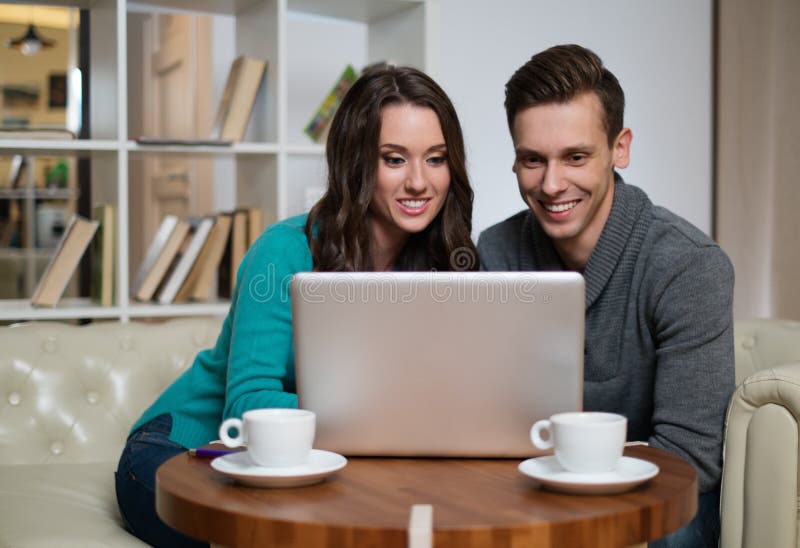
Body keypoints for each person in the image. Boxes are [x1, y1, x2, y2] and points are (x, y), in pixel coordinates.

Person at [115, 64, 478, 547]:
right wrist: (393, 414)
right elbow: (247, 403)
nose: (419, 181)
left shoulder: (440, 264)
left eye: (436, 159)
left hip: (306, 463)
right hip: (184, 450)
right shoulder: (283, 252)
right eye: (394, 159)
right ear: (357, 163)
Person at [477, 44, 734, 548]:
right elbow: (488, 417)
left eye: (575, 157)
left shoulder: (689, 265)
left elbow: (689, 459)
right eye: (533, 160)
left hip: (659, 501)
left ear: (621, 148)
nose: (552, 185)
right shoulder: (497, 250)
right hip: (531, 488)